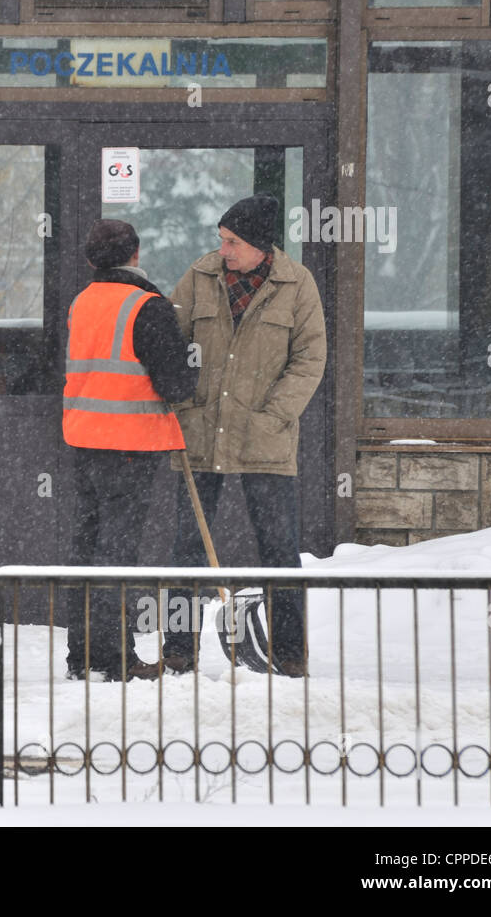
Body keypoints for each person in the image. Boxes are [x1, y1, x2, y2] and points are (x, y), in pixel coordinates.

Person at [165, 192, 326, 677]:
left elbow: (309, 359)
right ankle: (178, 650)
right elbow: (171, 340)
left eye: (232, 242)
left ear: (260, 245)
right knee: (187, 548)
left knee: (278, 548)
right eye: (221, 240)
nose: (224, 251)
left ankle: (290, 653)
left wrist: (273, 415)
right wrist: (180, 398)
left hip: (265, 439)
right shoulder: (199, 276)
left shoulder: (297, 285)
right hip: (200, 433)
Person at [63, 219, 198, 681]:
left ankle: (82, 654)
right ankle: (115, 657)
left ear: (89, 260)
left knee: (85, 547)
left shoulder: (83, 302)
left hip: (85, 439)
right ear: (136, 254)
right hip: (130, 444)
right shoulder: (148, 307)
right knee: (117, 551)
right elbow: (176, 383)